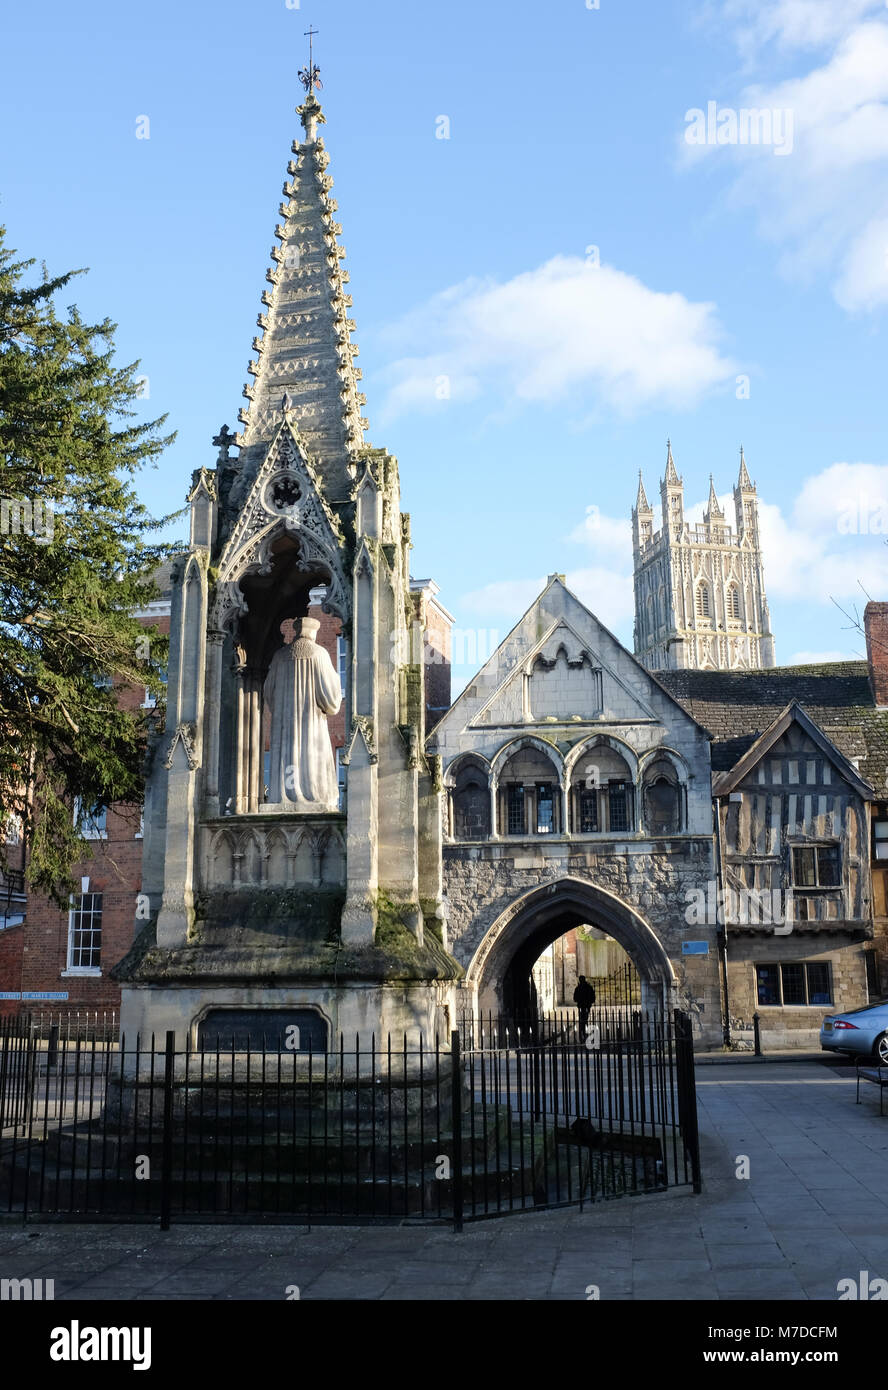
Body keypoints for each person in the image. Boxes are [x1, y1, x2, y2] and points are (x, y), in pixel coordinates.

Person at [263, 617, 342, 809]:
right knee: (310, 761)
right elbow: (332, 701)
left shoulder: (279, 657)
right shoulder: (319, 654)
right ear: (313, 633)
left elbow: (269, 693)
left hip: (283, 728)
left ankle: (282, 796)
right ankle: (312, 794)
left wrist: (284, 709)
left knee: (287, 761)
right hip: (311, 727)